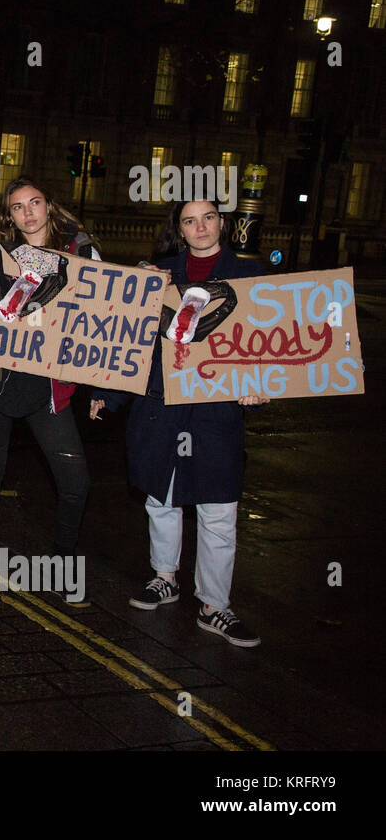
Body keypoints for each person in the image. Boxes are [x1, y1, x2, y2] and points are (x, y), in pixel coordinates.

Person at [91, 197, 268, 646]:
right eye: (191, 221)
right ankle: (164, 577)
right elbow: (129, 339)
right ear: (181, 229)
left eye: (208, 218)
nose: (201, 227)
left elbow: (264, 344)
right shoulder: (157, 274)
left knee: (218, 510)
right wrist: (106, 392)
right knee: (161, 497)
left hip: (217, 409)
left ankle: (214, 606)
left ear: (222, 223)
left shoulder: (251, 276)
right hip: (162, 405)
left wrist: (260, 387)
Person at [0, 178, 96, 603]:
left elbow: (110, 311)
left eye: (35, 202)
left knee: (76, 481)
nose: (28, 213)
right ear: (9, 216)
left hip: (48, 387)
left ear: (49, 206)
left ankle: (62, 561)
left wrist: (146, 282)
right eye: (18, 207)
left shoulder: (81, 253)